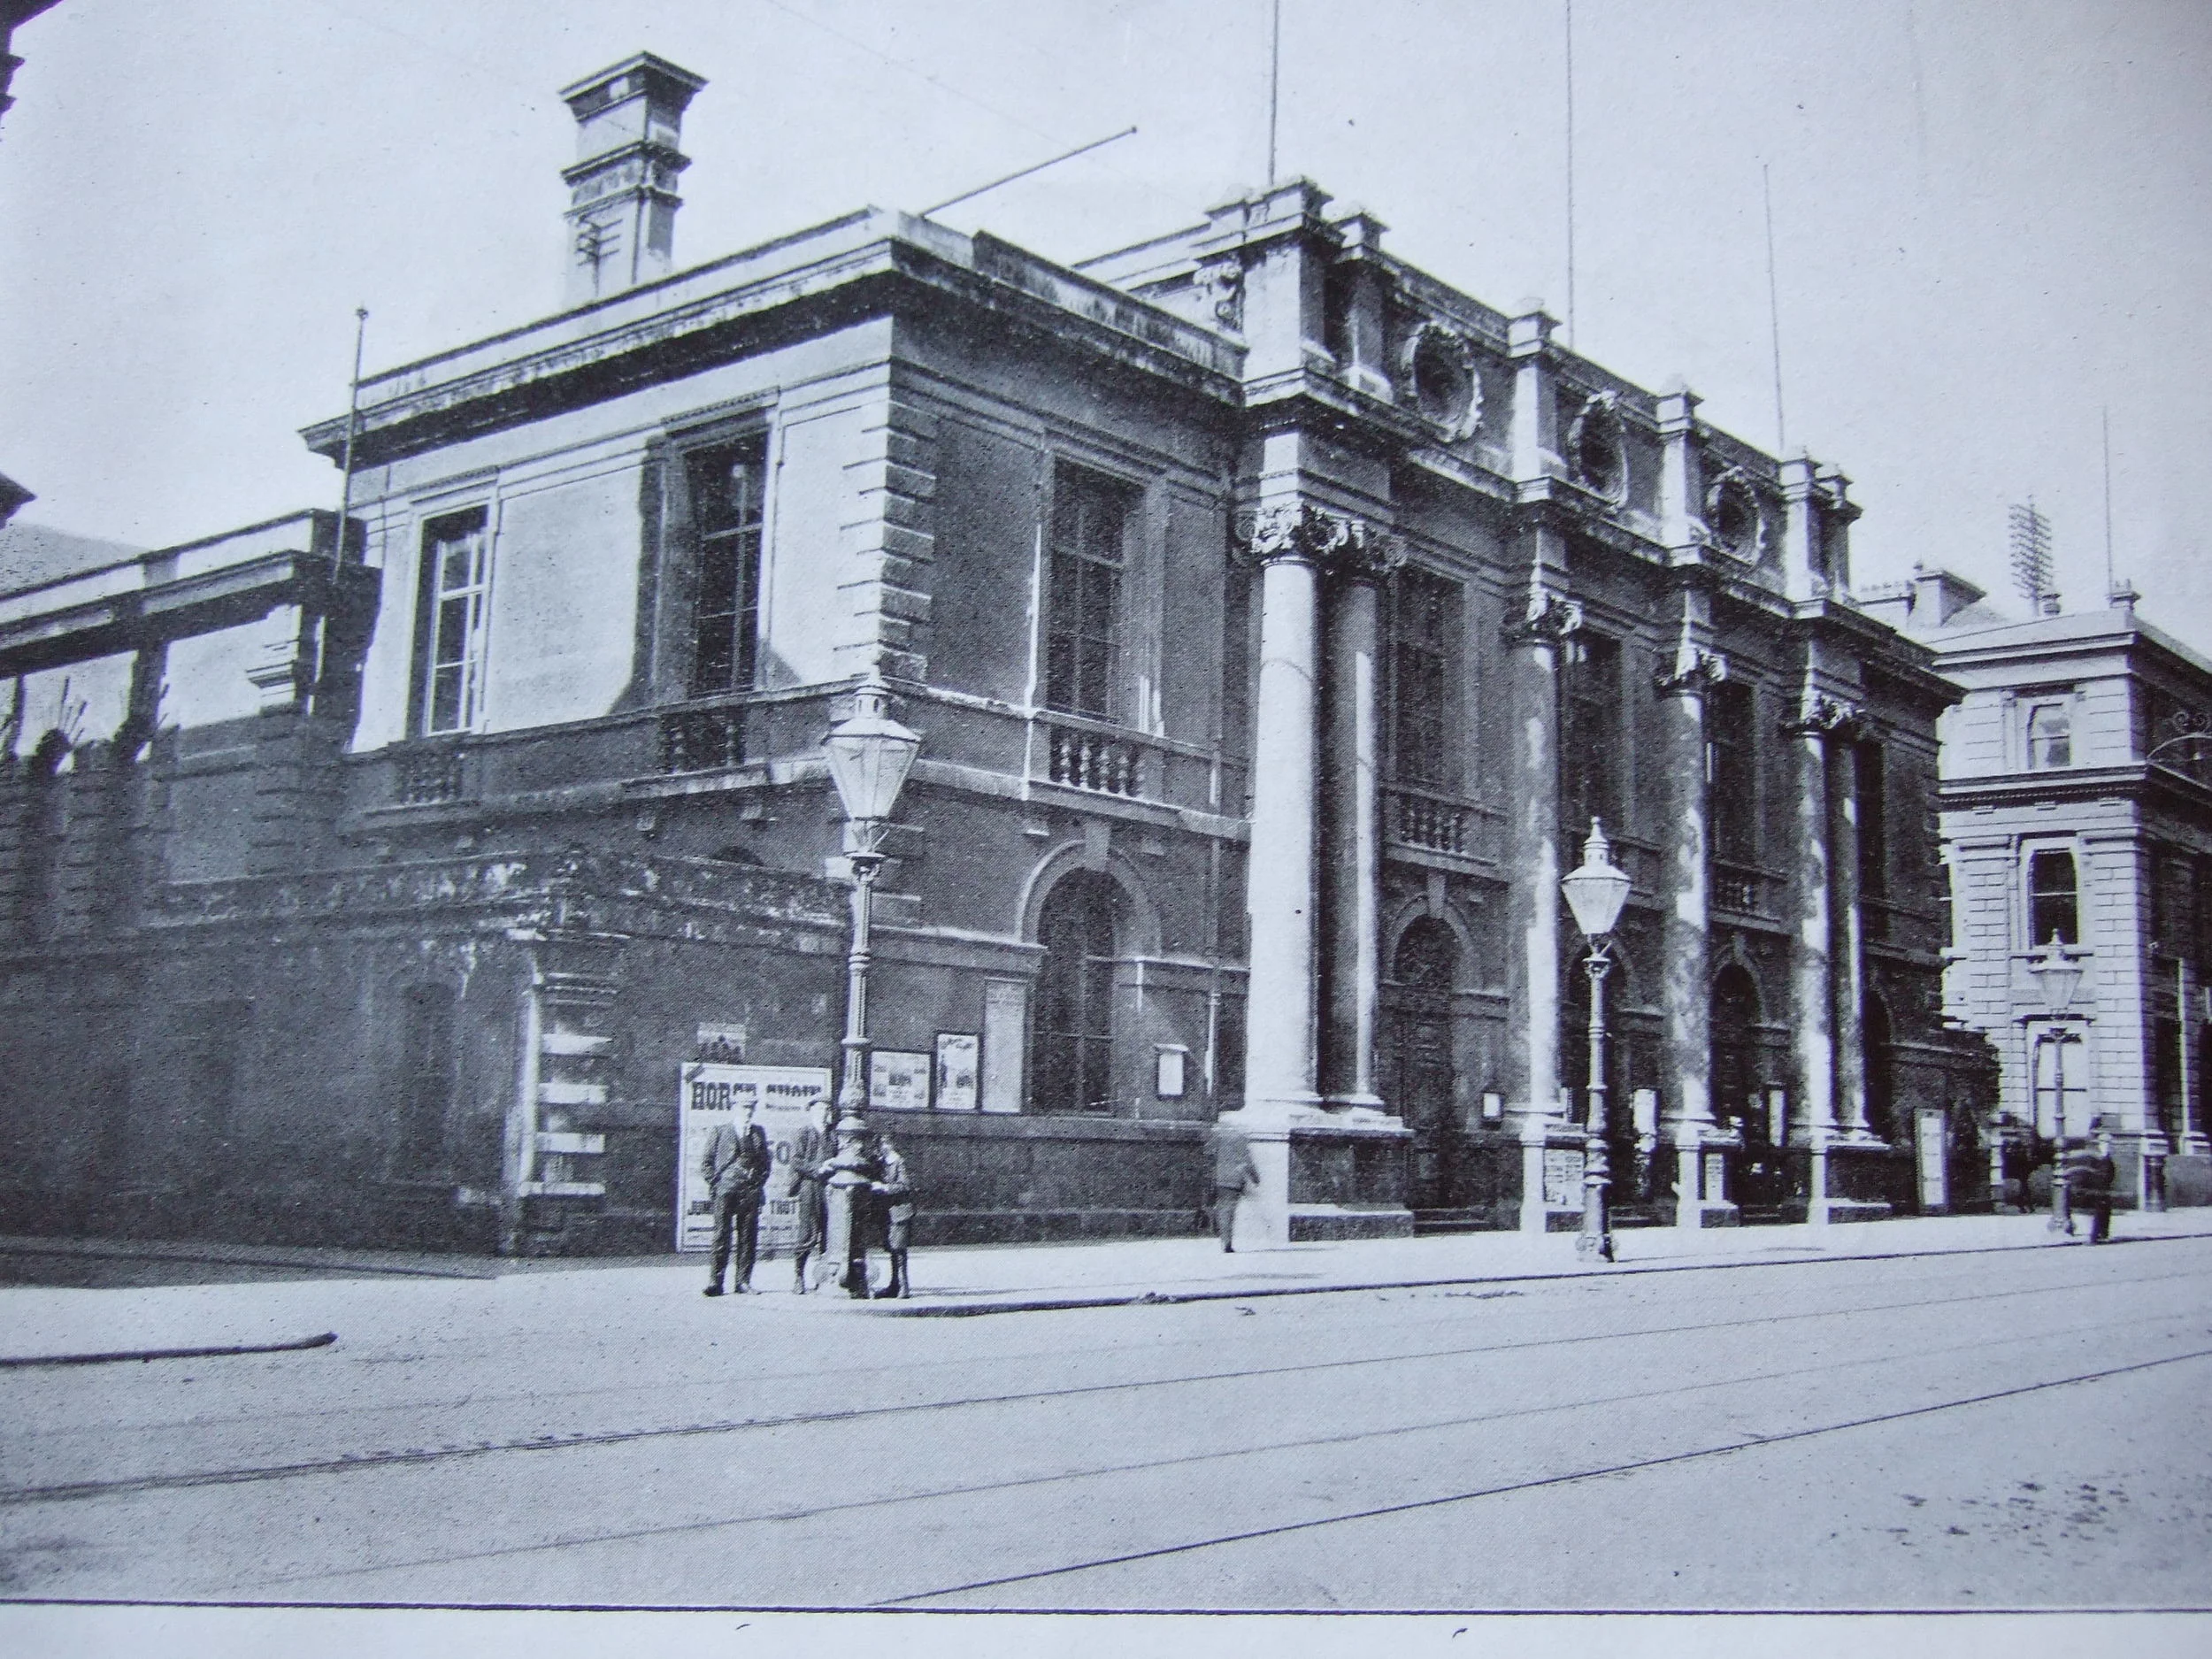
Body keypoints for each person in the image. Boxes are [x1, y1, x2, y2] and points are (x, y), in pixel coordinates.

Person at [701, 1098, 772, 1295]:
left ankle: (743, 1282)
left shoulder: (758, 1132)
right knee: (721, 1236)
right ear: (734, 1109)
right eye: (744, 1108)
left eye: (750, 1108)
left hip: (750, 1192)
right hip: (726, 1192)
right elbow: (706, 1163)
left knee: (748, 1238)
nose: (748, 1112)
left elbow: (766, 1164)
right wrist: (717, 1184)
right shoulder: (720, 1131)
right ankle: (716, 1282)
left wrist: (758, 1183)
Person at [785, 1096, 834, 1294]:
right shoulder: (803, 1133)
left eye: (827, 1109)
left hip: (829, 1188)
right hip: (809, 1186)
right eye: (821, 1109)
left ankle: (824, 1277)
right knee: (807, 1233)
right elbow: (796, 1161)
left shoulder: (833, 1134)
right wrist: (817, 1169)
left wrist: (832, 1166)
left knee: (829, 1233)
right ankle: (799, 1276)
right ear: (812, 1111)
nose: (824, 1113)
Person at [871, 1133, 916, 1299]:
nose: (883, 1148)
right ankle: (895, 1285)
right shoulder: (882, 1163)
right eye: (881, 1144)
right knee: (892, 1248)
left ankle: (904, 1287)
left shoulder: (899, 1162)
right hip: (889, 1212)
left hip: (900, 1211)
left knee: (898, 1248)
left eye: (886, 1144)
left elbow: (905, 1185)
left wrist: (885, 1188)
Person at [1208, 1115, 1258, 1252]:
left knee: (1223, 1210)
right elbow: (1247, 1160)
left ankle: (1224, 1239)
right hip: (1234, 1180)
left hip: (1220, 1179)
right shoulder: (1240, 1139)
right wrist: (1255, 1177)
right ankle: (1227, 1242)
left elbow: (1210, 1156)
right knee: (1229, 1211)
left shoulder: (1219, 1139)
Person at [2063, 1124, 2118, 1244]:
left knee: (2104, 1211)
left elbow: (2110, 1173)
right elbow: (2090, 1172)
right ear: (2100, 1143)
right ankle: (2095, 1236)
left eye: (2109, 1143)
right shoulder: (2096, 1157)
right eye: (2104, 1143)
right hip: (2096, 1189)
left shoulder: (2107, 1157)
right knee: (2098, 1212)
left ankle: (2103, 1234)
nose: (2107, 1145)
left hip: (2104, 1188)